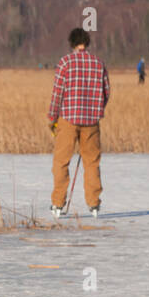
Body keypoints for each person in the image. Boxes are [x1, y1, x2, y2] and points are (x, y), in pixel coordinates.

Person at [48, 28, 110, 218]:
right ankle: (94, 204)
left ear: (71, 43)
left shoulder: (65, 62)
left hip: (68, 119)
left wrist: (52, 117)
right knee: (92, 163)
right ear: (87, 43)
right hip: (91, 121)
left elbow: (58, 92)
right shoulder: (98, 64)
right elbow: (106, 92)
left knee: (61, 162)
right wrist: (97, 110)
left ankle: (58, 203)